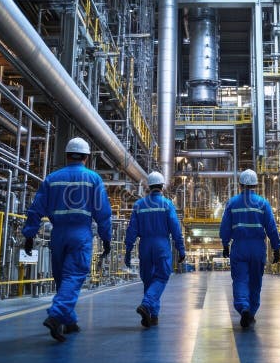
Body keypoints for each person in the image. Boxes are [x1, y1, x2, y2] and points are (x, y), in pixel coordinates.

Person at [22, 137, 112, 342]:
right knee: (74, 276)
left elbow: (36, 208)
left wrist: (29, 234)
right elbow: (103, 213)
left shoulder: (52, 179)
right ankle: (56, 316)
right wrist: (106, 238)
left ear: (67, 155)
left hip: (58, 234)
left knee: (62, 278)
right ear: (87, 157)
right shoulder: (93, 179)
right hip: (80, 234)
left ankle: (69, 321)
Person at [220, 169, 280, 328]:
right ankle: (251, 311)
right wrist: (276, 248)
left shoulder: (232, 203)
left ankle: (243, 307)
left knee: (240, 280)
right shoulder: (262, 203)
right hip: (257, 247)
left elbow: (225, 227)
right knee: (255, 281)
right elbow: (272, 228)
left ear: (240, 185)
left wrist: (225, 244)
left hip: (239, 246)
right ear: (255, 184)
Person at [124, 171, 185, 328]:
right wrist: (180, 248)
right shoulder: (167, 204)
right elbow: (175, 229)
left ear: (148, 187)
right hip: (161, 245)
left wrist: (128, 249)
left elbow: (132, 230)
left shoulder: (139, 205)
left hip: (144, 246)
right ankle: (146, 305)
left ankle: (152, 315)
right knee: (161, 277)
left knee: (149, 280)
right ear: (162, 186)